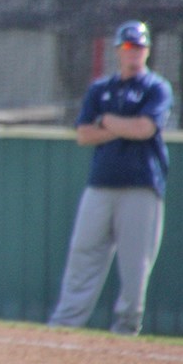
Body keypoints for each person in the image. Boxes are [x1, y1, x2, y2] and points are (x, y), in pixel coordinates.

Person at [48, 20, 172, 336]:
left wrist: (106, 121)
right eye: (129, 47)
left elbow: (146, 128)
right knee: (83, 255)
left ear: (147, 51)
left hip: (142, 186)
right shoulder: (101, 89)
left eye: (140, 47)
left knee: (135, 265)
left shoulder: (156, 87)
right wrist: (122, 126)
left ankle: (126, 331)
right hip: (101, 184)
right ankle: (64, 327)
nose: (134, 53)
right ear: (119, 50)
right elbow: (84, 134)